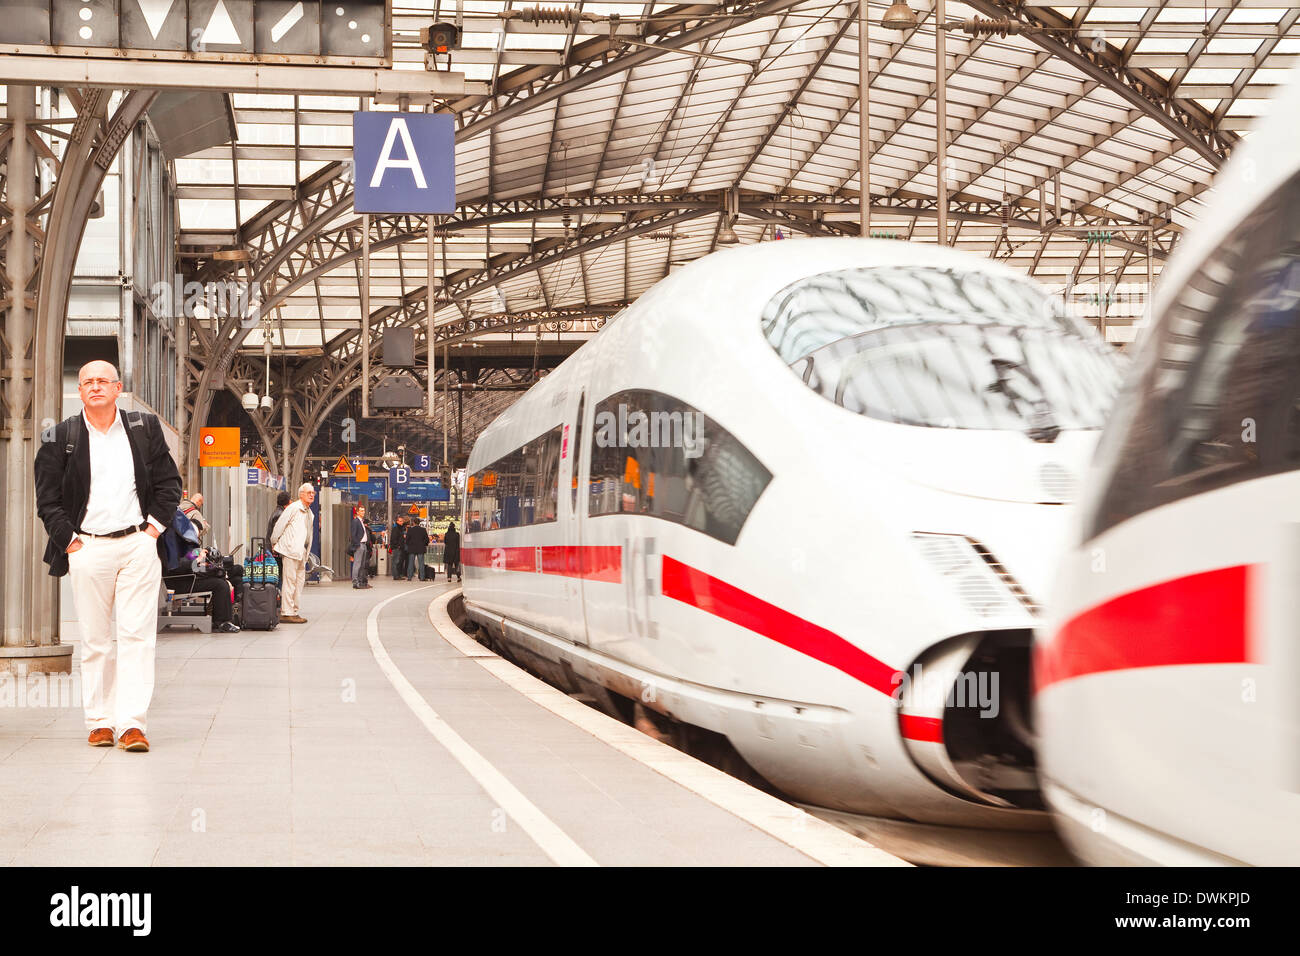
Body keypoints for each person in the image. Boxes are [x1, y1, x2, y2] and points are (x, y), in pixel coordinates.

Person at [34, 360, 182, 753]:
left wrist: (152, 531)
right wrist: (71, 543)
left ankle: (132, 724)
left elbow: (170, 484)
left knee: (136, 637)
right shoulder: (57, 438)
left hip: (137, 544)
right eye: (87, 382)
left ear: (118, 388)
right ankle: (99, 722)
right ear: (80, 391)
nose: (95, 386)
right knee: (96, 639)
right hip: (88, 547)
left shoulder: (143, 429)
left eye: (103, 381)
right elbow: (47, 501)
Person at [270, 483, 315, 624]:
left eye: (313, 492)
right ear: (301, 494)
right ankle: (286, 612)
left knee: (299, 582)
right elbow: (279, 526)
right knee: (290, 581)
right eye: (308, 492)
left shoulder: (309, 512)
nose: (312, 495)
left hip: (301, 551)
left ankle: (294, 611)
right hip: (290, 550)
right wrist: (274, 542)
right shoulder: (293, 508)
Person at [266, 489, 290, 580]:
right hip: (276, 551)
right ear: (287, 502)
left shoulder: (278, 512)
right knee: (279, 575)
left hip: (275, 550)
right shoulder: (280, 515)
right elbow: (278, 533)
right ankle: (278, 593)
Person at [349, 504, 372, 589]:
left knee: (362, 565)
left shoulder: (361, 521)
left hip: (364, 545)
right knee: (357, 564)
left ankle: (360, 581)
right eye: (361, 511)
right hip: (359, 545)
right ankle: (355, 582)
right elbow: (353, 535)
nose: (363, 512)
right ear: (357, 512)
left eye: (364, 510)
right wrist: (357, 544)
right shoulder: (355, 521)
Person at [389, 516, 407, 580]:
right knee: (395, 562)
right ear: (397, 521)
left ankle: (397, 575)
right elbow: (394, 539)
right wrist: (397, 546)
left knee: (398, 562)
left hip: (399, 547)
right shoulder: (396, 529)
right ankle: (395, 576)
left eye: (402, 521)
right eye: (400, 521)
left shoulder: (400, 529)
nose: (401, 522)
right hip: (396, 548)